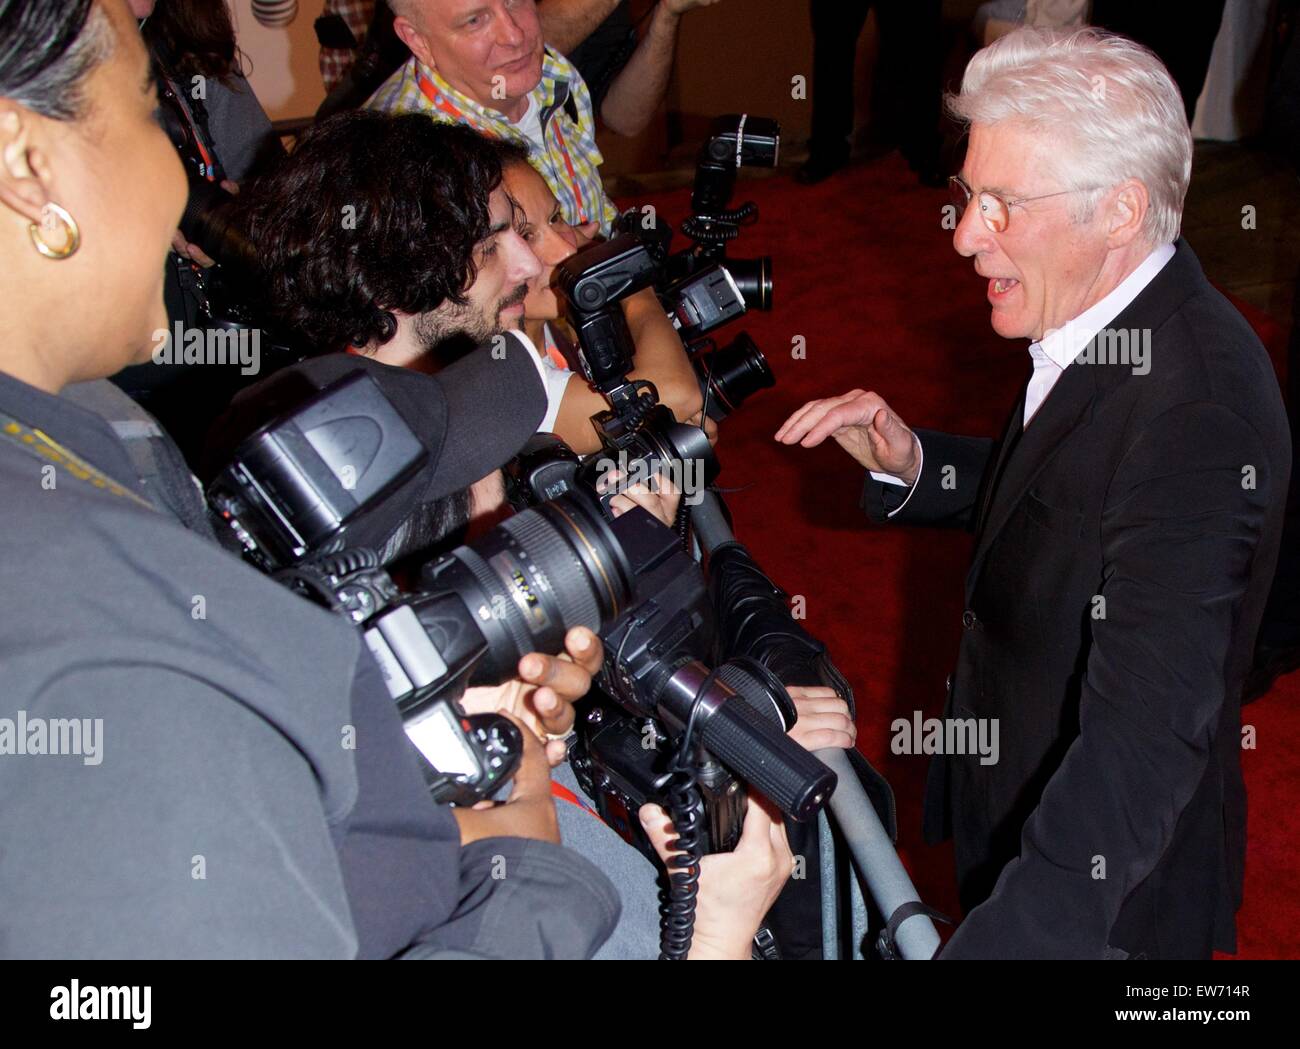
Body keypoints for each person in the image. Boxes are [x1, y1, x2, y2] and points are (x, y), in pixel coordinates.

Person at [0, 0, 620, 960]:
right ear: (25, 159)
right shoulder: (77, 602)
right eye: (145, 111)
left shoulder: (97, 429)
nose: (181, 184)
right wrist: (522, 879)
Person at [233, 108, 802, 958]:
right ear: (406, 270)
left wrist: (542, 722)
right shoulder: (312, 502)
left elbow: (654, 427)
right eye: (498, 241)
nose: (537, 264)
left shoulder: (487, 384)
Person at [777, 27, 1291, 958]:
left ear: (1122, 210)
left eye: (1003, 206)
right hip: (1011, 791)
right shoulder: (1107, 313)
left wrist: (1015, 939)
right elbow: (1071, 499)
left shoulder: (1197, 415)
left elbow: (1145, 740)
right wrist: (916, 464)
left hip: (1105, 899)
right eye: (969, 196)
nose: (967, 234)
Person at [365, 0, 651, 235]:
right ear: (417, 40)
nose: (514, 36)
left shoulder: (547, 75)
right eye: (475, 21)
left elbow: (596, 213)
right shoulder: (400, 164)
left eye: (514, 2)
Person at [498, 140, 708, 452]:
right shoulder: (507, 383)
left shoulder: (547, 330)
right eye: (527, 236)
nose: (566, 249)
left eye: (555, 218)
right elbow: (677, 392)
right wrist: (632, 280)